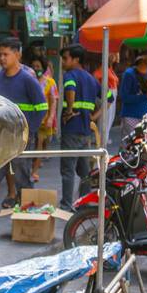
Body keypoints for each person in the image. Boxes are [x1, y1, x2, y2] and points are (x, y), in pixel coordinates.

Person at [0, 37, 45, 210]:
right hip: (1, 138)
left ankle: (29, 217)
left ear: (17, 55)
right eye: (0, 54)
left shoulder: (27, 79)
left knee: (22, 177)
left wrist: (29, 132)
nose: (1, 58)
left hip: (21, 139)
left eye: (5, 54)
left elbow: (42, 107)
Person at [60, 45, 101, 211]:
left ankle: (66, 205)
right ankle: (84, 203)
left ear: (76, 59)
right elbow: (109, 98)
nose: (63, 62)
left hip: (71, 129)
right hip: (86, 131)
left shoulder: (70, 75)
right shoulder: (92, 79)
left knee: (68, 170)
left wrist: (69, 110)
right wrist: (94, 117)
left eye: (65, 58)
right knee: (84, 171)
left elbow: (70, 88)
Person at [118, 54, 147, 144]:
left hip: (145, 116)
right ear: (143, 58)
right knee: (130, 145)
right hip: (130, 115)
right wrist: (146, 96)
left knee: (143, 146)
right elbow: (124, 97)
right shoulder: (129, 74)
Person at [29, 52, 59, 182]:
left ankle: (34, 171)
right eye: (33, 66)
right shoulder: (28, 81)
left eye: (38, 66)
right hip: (29, 120)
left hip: (43, 120)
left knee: (38, 146)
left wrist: (51, 118)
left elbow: (53, 101)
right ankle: (28, 169)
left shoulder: (50, 83)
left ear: (43, 67)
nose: (36, 69)